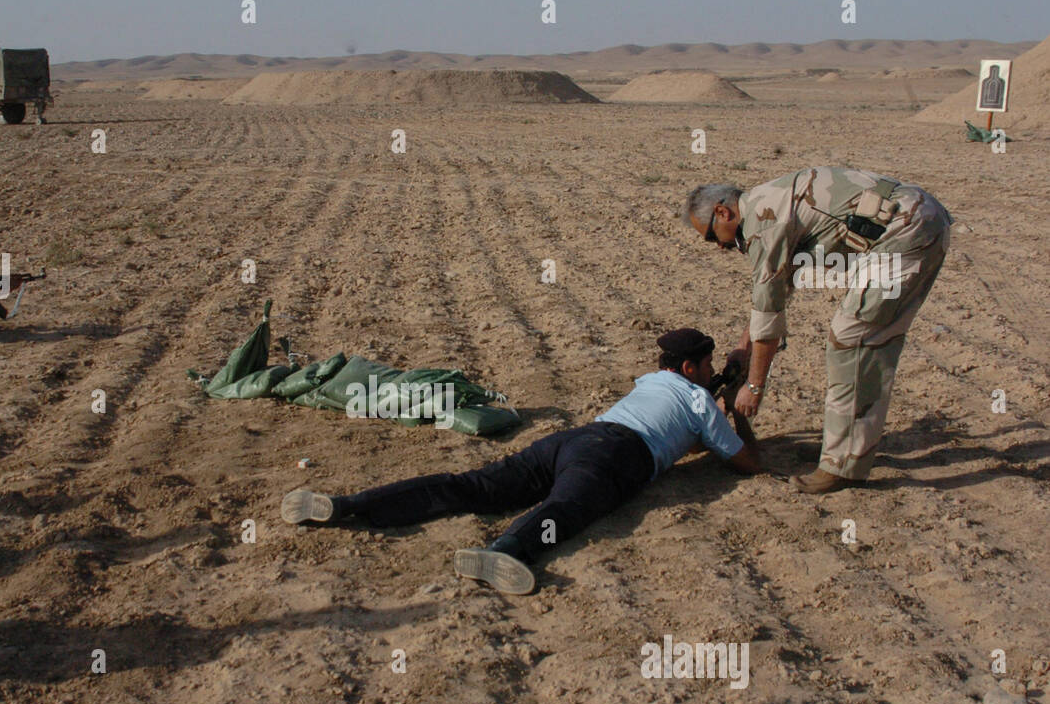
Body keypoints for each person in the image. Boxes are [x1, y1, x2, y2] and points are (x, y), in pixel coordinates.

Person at [281, 329, 761, 595]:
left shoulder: (649, 383)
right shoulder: (700, 403)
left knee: (472, 485)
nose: (710, 374)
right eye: (707, 366)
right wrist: (736, 414)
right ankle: (506, 551)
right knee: (567, 508)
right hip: (620, 454)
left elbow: (682, 438)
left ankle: (349, 505)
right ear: (689, 369)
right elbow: (741, 462)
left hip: (576, 438)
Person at [682, 167, 951, 493]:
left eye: (712, 237)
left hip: (907, 230)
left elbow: (768, 315)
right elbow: (774, 296)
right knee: (861, 340)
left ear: (723, 212)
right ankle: (843, 449)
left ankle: (842, 467)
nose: (719, 247)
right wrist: (743, 349)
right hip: (917, 219)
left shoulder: (763, 224)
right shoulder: (766, 202)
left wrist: (753, 387)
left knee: (854, 340)